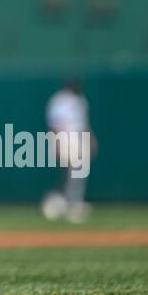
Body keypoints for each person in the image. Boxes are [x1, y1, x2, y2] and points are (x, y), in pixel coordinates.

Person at [40, 80, 96, 223]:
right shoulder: (60, 99)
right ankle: (66, 203)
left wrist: (90, 139)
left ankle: (68, 202)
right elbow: (55, 123)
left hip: (78, 139)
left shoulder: (81, 100)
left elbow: (83, 124)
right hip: (64, 138)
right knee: (72, 172)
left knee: (76, 172)